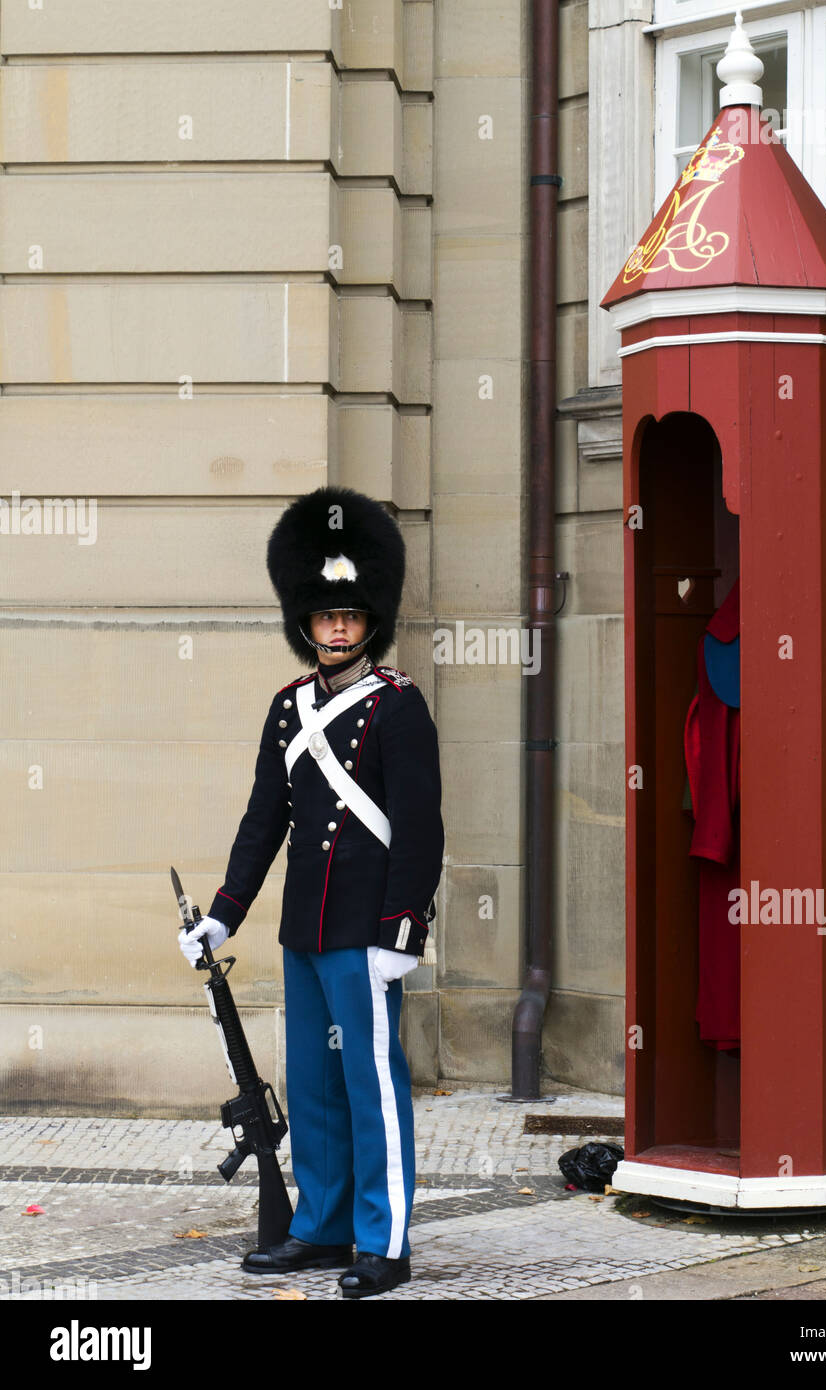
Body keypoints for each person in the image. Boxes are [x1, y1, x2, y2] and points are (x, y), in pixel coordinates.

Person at [178, 485, 444, 1299]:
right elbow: (265, 820)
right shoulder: (287, 710)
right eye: (324, 615)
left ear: (370, 623)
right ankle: (322, 1225)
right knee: (314, 1085)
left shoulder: (398, 709)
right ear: (306, 623)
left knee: (371, 1087)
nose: (336, 627)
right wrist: (224, 915)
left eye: (350, 615)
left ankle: (383, 1239)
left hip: (366, 934)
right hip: (306, 930)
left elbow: (421, 827)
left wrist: (401, 933)